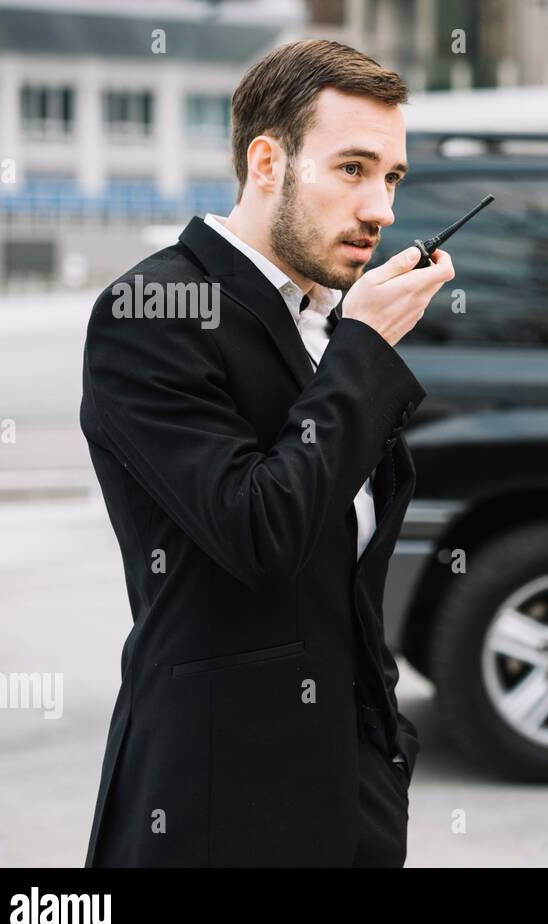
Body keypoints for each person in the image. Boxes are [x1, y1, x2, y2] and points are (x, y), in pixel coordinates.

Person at [80, 39, 454, 866]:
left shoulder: (327, 320)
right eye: (353, 169)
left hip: (352, 788)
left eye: (392, 177)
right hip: (219, 798)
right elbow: (258, 530)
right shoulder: (153, 311)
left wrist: (382, 742)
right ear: (267, 162)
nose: (382, 208)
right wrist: (362, 352)